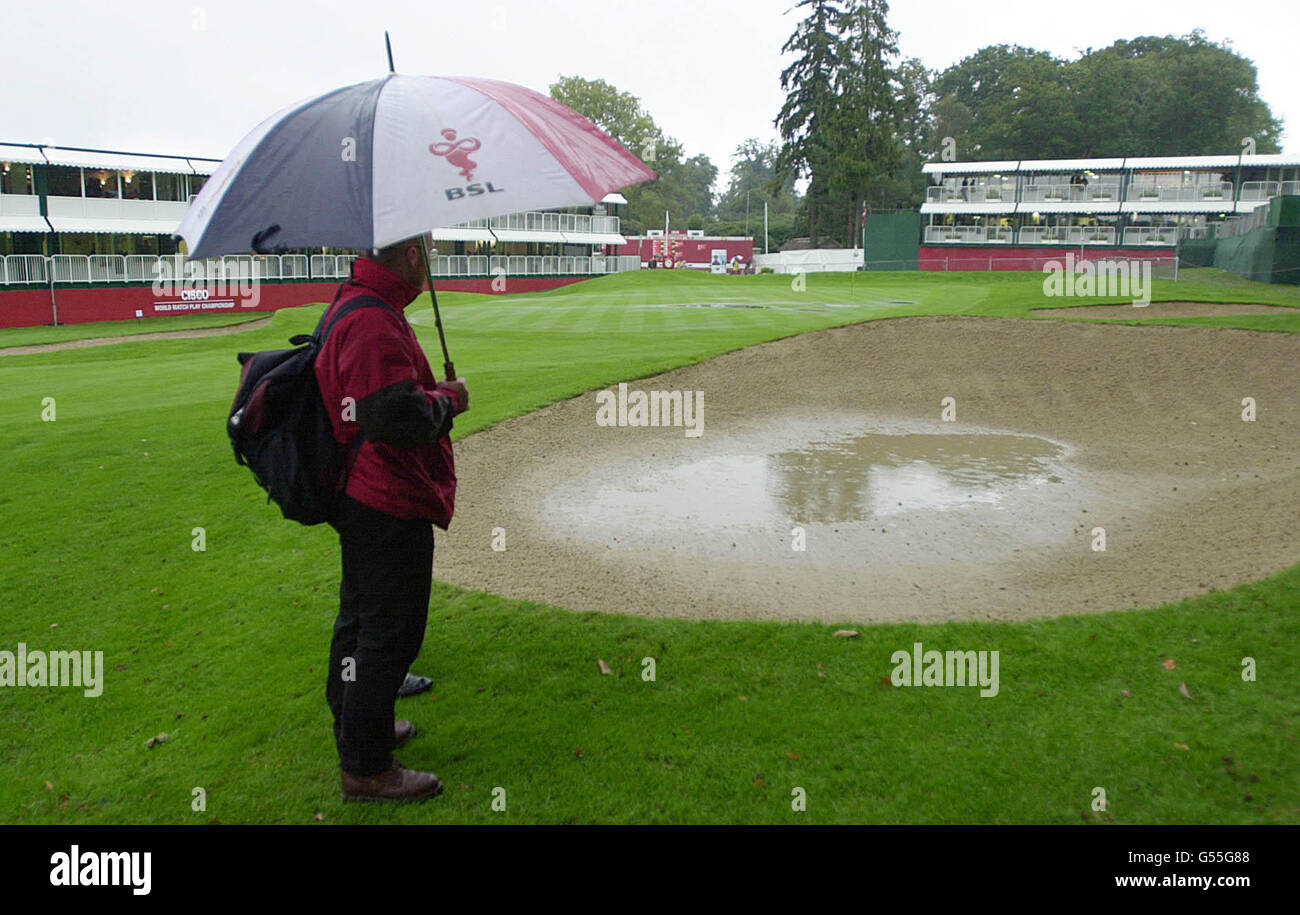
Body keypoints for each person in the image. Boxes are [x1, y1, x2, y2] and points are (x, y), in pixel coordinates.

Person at [314, 238, 470, 802]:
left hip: (367, 493)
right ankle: (365, 765)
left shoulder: (362, 304)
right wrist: (449, 400)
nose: (428, 259)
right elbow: (393, 417)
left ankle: (363, 725)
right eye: (425, 248)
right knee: (388, 631)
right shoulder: (373, 322)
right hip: (385, 497)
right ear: (409, 257)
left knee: (361, 621)